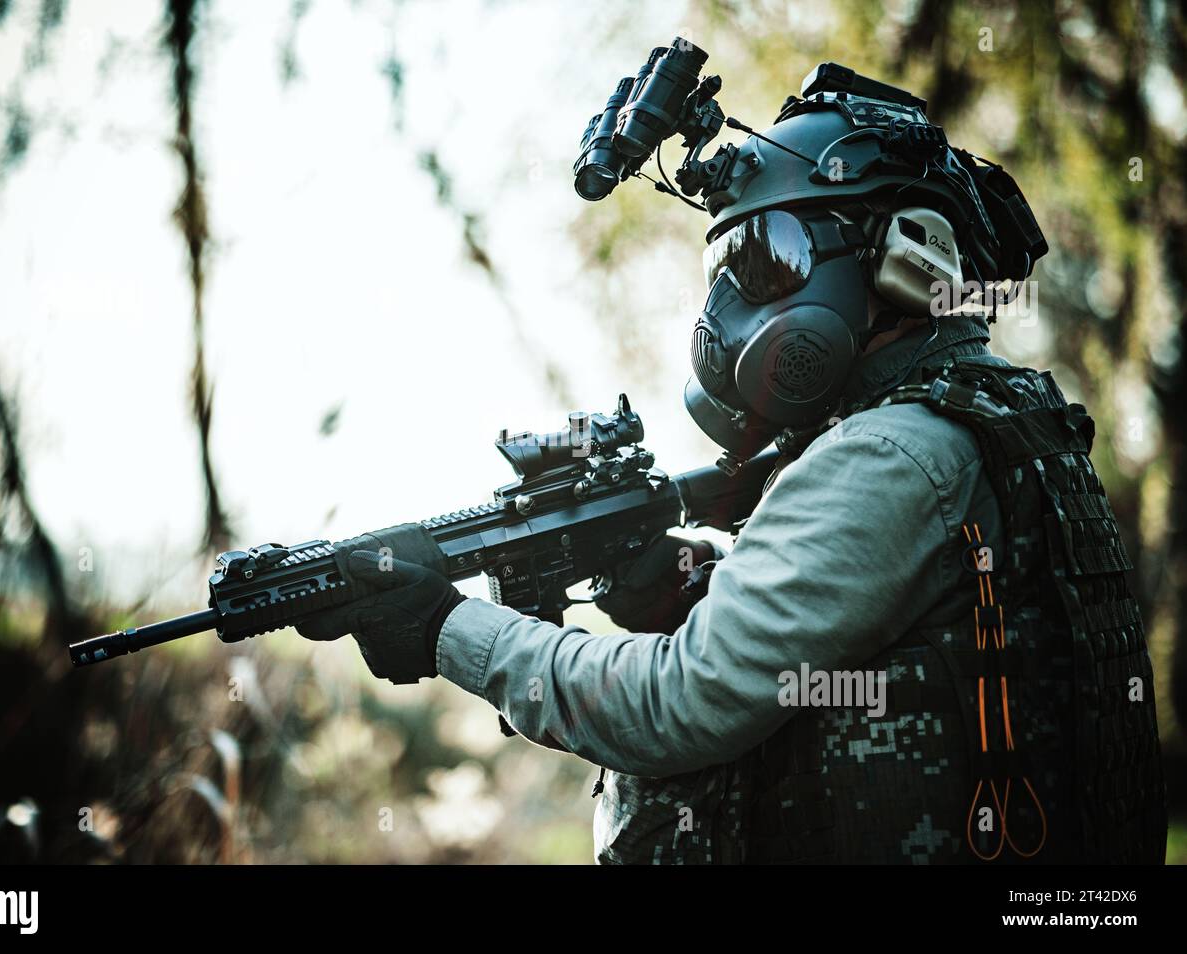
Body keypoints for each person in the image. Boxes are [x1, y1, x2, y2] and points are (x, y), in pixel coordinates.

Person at [298, 64, 1167, 864]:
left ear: (907, 261)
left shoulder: (888, 454)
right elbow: (900, 639)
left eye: (769, 258)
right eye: (727, 265)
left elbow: (678, 705)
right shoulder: (1000, 413)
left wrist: (449, 630)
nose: (727, 307)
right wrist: (696, 582)